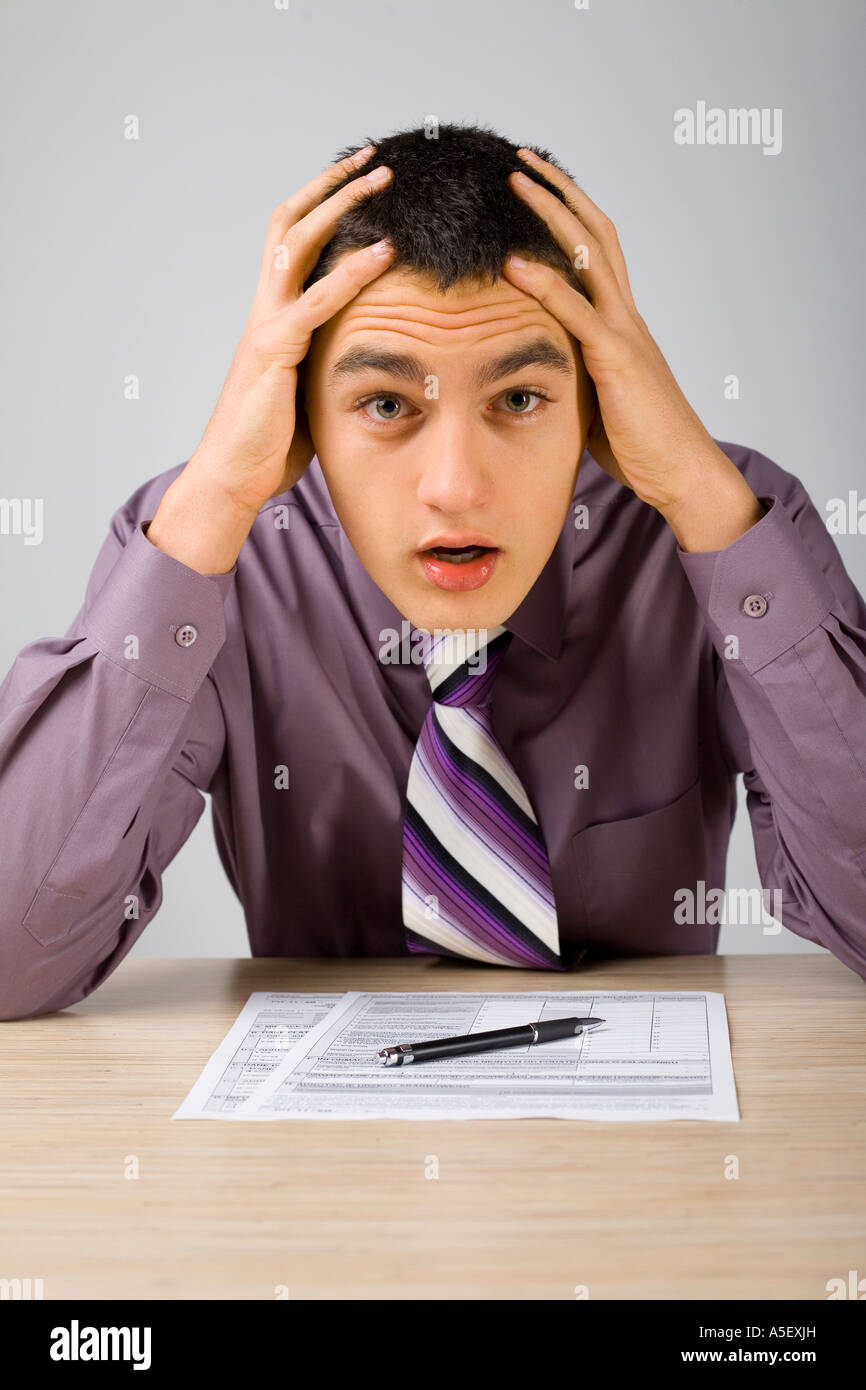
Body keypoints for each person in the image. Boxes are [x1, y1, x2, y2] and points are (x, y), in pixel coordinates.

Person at [2, 121, 865, 1020]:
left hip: (639, 1146)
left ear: (602, 396)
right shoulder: (206, 551)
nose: (455, 488)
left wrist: (703, 500)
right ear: (300, 408)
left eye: (520, 398)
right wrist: (216, 494)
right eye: (384, 403)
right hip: (321, 1147)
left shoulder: (727, 523)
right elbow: (9, 961)